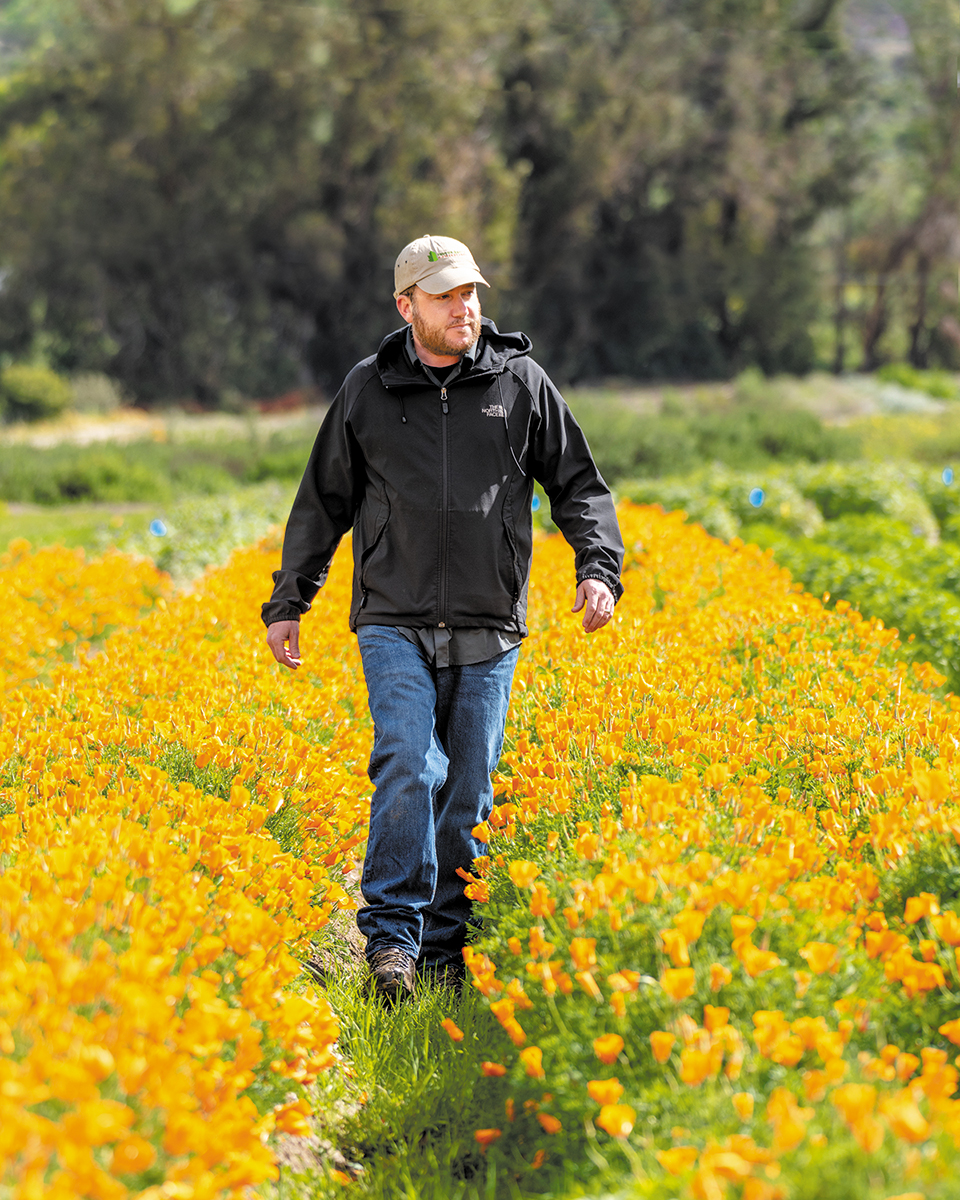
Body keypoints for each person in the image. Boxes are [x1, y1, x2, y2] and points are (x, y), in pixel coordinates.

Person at [263, 234, 624, 1001]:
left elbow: (580, 486)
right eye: (446, 296)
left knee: (468, 788)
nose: (465, 308)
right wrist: (290, 599)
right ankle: (392, 941)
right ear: (407, 307)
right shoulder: (367, 389)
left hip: (491, 624)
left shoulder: (521, 383)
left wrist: (598, 568)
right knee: (408, 761)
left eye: (471, 294)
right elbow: (323, 499)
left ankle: (445, 953)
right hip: (392, 617)